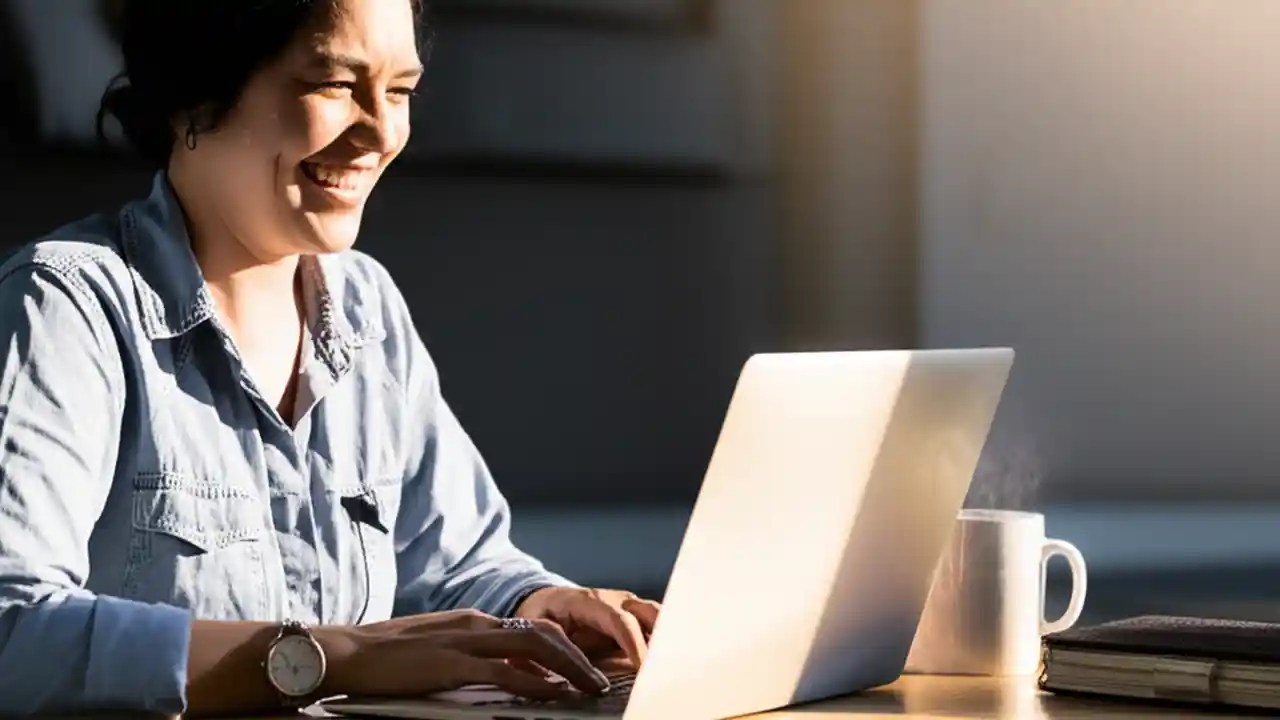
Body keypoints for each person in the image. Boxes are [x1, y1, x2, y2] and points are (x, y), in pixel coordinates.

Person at [0, 0, 661, 715]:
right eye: (336, 85)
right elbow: (11, 635)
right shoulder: (66, 306)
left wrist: (539, 609)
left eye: (400, 90)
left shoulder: (366, 306)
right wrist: (331, 657)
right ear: (196, 93)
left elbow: (460, 567)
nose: (381, 131)